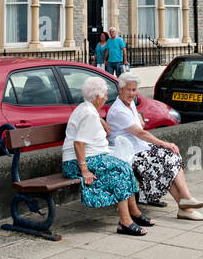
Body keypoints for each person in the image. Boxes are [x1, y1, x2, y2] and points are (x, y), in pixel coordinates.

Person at [107, 74, 203, 221]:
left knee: (172, 155)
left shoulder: (130, 103)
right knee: (164, 158)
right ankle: (186, 205)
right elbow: (140, 132)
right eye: (128, 90)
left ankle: (186, 202)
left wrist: (140, 121)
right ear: (120, 89)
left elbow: (140, 125)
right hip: (129, 153)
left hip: (140, 148)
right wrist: (163, 142)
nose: (132, 93)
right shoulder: (118, 110)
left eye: (134, 90)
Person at [62, 75, 152, 236]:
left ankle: (134, 214)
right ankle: (125, 221)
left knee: (123, 164)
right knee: (120, 168)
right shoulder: (88, 113)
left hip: (89, 157)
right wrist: (84, 171)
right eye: (104, 95)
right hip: (77, 162)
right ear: (97, 96)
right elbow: (78, 143)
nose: (105, 98)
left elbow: (92, 120)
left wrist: (103, 122)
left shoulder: (88, 109)